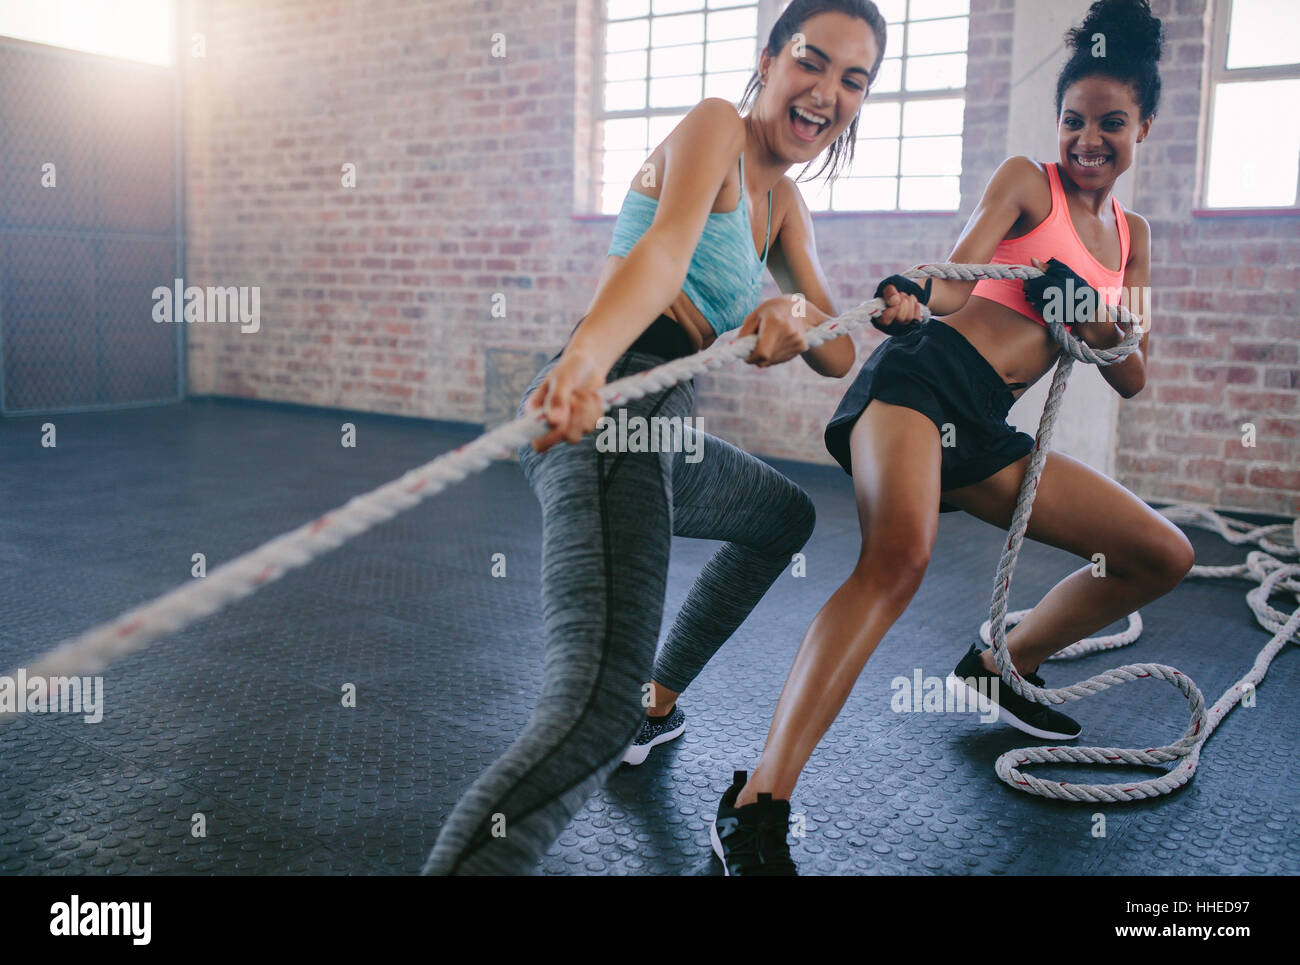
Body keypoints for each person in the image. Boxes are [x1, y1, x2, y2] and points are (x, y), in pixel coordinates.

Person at [711, 0, 1196, 876]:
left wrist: (1085, 316)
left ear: (1144, 127)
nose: (1089, 139)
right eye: (1074, 120)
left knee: (1160, 552)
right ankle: (756, 800)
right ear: (1058, 124)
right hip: (920, 383)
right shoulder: (1026, 181)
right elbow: (955, 278)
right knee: (897, 562)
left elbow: (1134, 370)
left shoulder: (1137, 242)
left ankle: (1001, 661)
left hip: (986, 428)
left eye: (1111, 124)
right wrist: (908, 293)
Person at [423, 0, 906, 875]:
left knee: (783, 518)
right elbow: (662, 258)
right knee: (586, 708)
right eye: (812, 60)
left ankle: (658, 701)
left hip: (666, 427)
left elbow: (836, 349)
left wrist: (818, 312)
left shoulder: (784, 204)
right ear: (768, 59)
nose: (827, 91)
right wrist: (584, 362)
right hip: (613, 400)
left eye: (853, 79)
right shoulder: (717, 128)